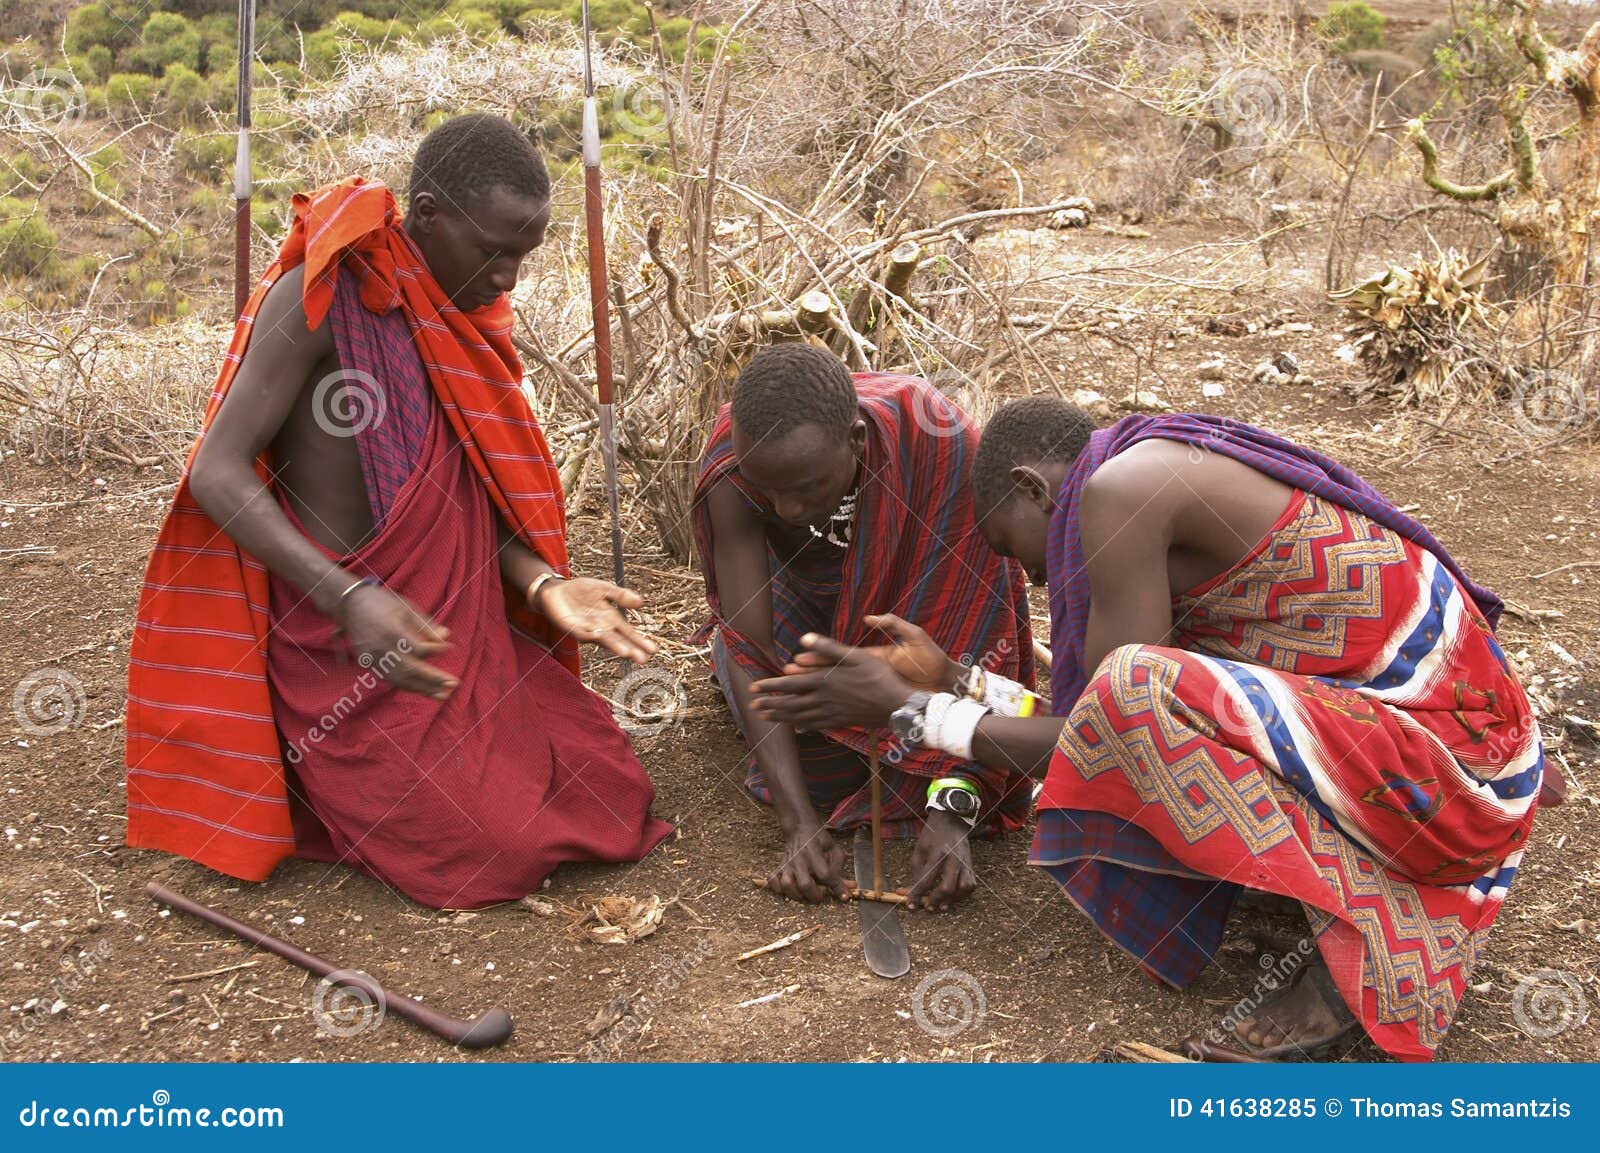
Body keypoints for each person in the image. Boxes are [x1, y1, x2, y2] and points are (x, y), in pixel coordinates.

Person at [751, 396, 1549, 1061]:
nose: (1027, 577)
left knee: (1137, 682)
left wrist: (909, 713)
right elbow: (1094, 720)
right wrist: (953, 679)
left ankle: (1362, 961)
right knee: (1139, 681)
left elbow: (1103, 723)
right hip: (1463, 751)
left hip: (1460, 781)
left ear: (1032, 488)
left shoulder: (1119, 494)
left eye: (1009, 550)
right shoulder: (1138, 469)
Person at [125, 113, 672, 909]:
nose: (509, 278)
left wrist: (546, 586)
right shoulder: (316, 301)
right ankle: (315, 772)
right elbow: (215, 469)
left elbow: (463, 505)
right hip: (343, 647)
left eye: (525, 254)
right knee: (489, 853)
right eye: (493, 248)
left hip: (454, 631)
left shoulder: (451, 320)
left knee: (610, 786)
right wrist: (347, 598)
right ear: (425, 217)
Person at [693, 345, 1036, 910]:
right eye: (769, 490)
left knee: (928, 748)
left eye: (806, 488)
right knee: (819, 773)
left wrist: (953, 808)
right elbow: (748, 644)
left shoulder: (937, 444)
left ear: (856, 440)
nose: (783, 509)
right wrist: (798, 824)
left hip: (912, 637)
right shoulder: (735, 460)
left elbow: (973, 634)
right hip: (800, 613)